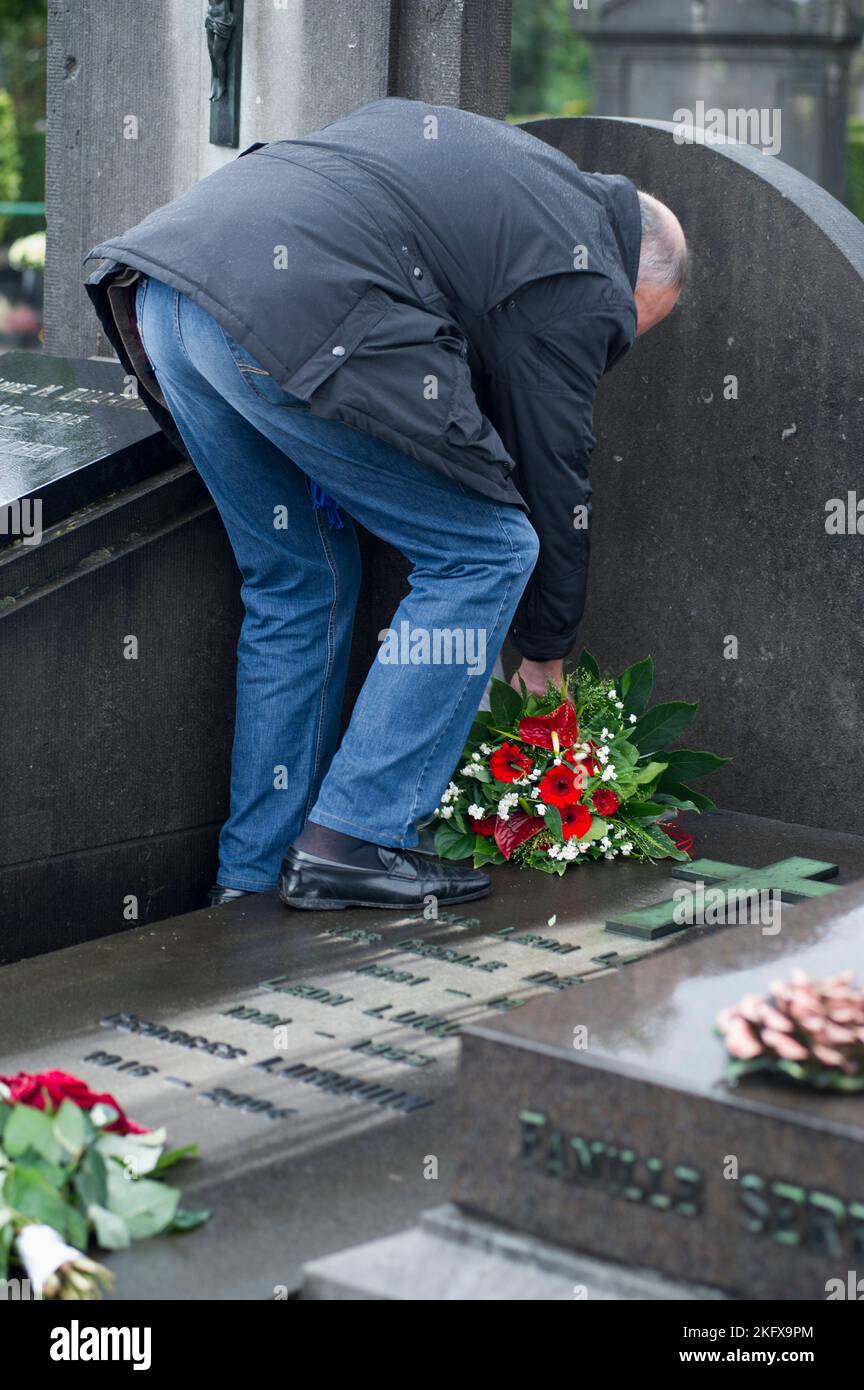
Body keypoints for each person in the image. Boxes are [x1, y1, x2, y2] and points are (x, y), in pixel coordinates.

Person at [84, 98, 687, 913]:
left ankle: (253, 875)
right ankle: (354, 837)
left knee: (298, 581)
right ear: (633, 275)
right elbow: (553, 466)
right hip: (282, 318)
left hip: (168, 297)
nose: (611, 345)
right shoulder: (584, 271)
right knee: (487, 551)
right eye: (625, 334)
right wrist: (544, 654)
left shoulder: (513, 184)